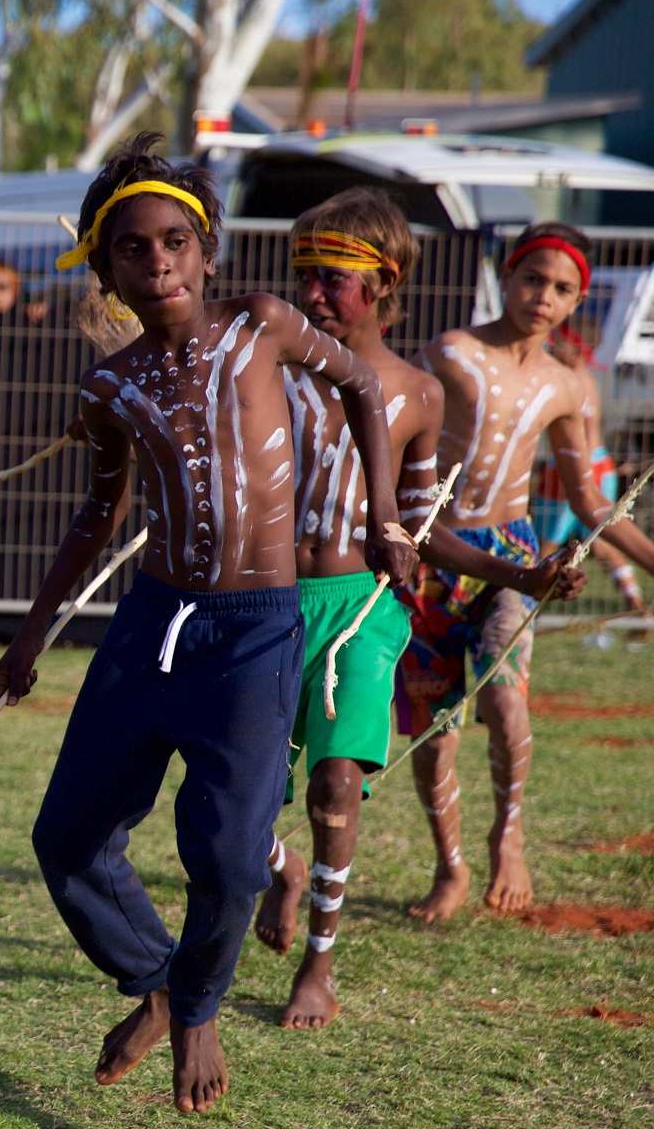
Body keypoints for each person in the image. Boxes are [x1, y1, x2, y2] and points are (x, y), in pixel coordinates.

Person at [0, 134, 416, 1113]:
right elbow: (94, 516)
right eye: (133, 249)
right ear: (105, 271)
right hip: (149, 623)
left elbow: (358, 384)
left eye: (175, 240)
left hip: (255, 631)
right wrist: (27, 635)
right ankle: (156, 980)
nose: (158, 262)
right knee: (64, 838)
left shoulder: (261, 326)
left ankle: (195, 1006)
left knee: (225, 855)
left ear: (208, 248)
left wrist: (383, 516)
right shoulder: (108, 389)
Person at [247, 189, 586, 1029]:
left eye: (333, 279)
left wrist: (526, 576)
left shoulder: (417, 394)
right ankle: (280, 868)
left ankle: (320, 962)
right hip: (260, 605)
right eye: (304, 277)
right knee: (228, 797)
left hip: (360, 611)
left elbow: (423, 531)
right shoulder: (267, 373)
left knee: (336, 781)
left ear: (385, 282)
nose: (313, 295)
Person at [400, 222, 654, 918]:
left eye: (562, 288)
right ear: (508, 279)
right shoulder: (452, 353)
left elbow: (591, 498)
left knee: (508, 701)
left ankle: (507, 835)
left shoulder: (569, 387)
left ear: (578, 301)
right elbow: (394, 432)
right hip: (436, 554)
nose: (544, 297)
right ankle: (449, 866)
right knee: (436, 727)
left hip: (514, 558)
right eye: (533, 279)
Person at [530, 340, 647, 621]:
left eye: (553, 345)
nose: (549, 350)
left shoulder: (565, 380)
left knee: (546, 542)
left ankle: (526, 606)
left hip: (571, 465)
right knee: (602, 543)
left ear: (570, 348)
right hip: (599, 462)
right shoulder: (588, 379)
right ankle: (636, 603)